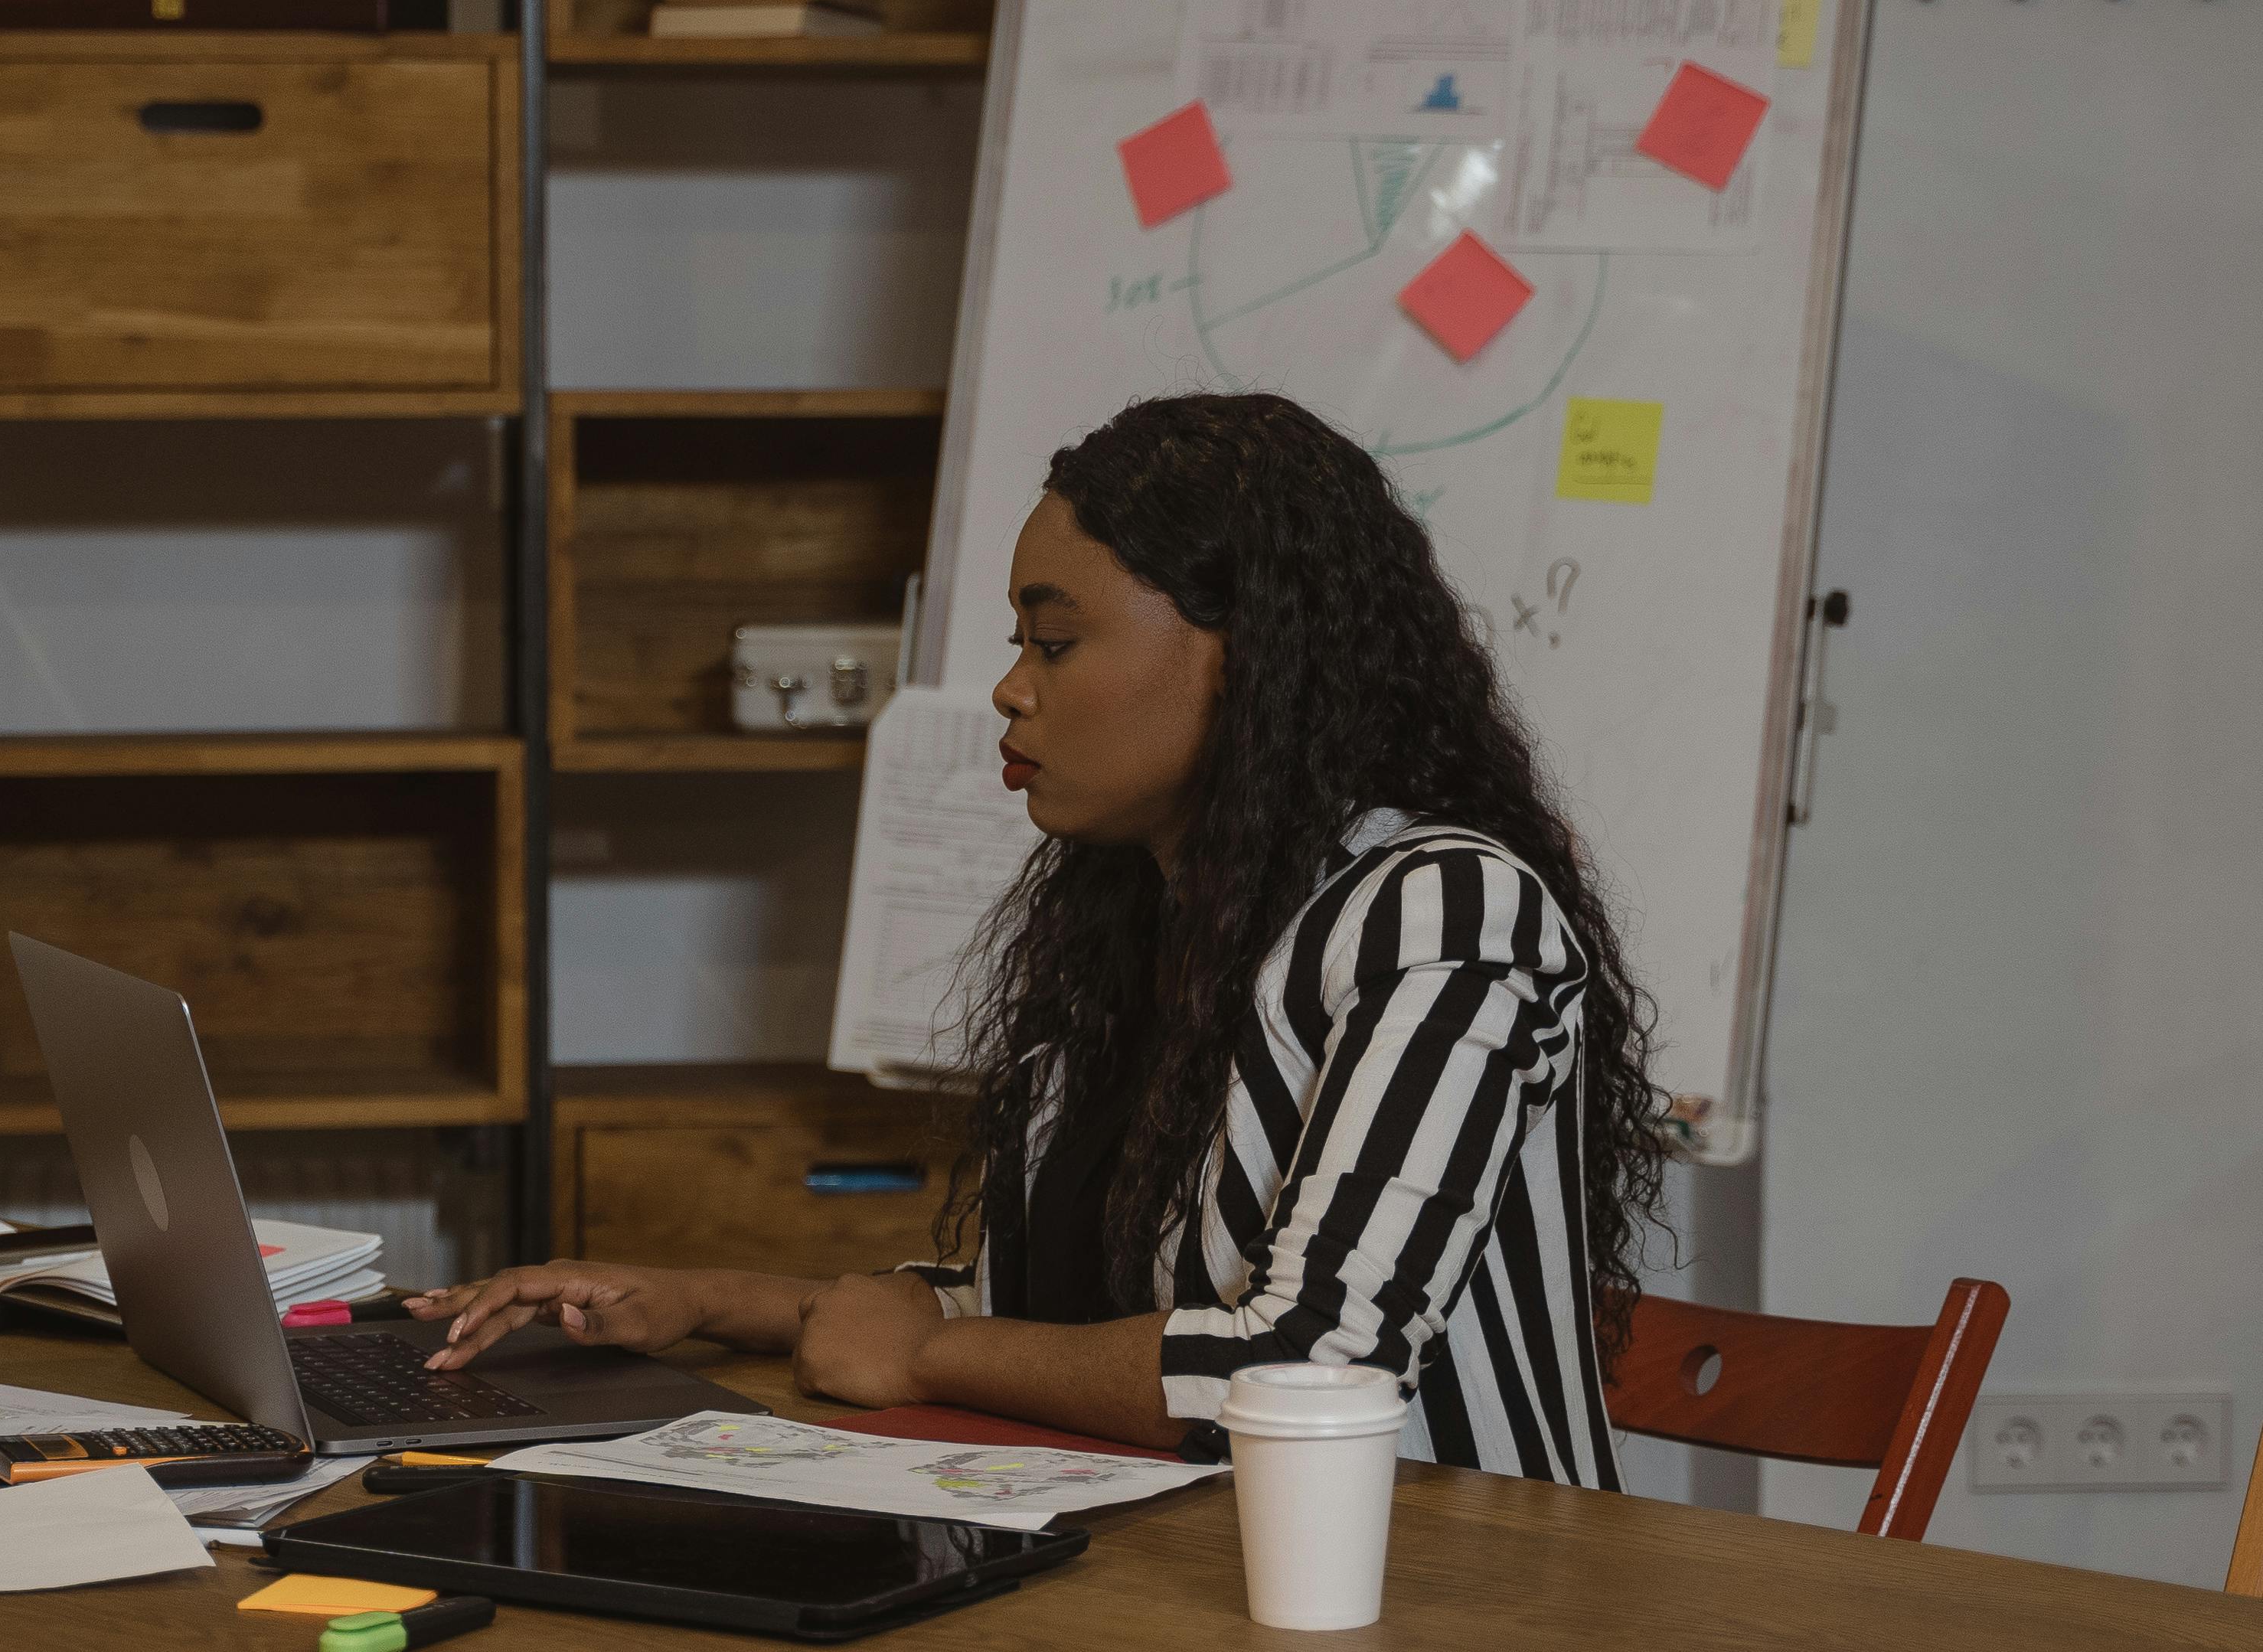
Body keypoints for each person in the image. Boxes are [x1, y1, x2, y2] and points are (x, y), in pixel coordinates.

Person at [412, 393, 1669, 1484]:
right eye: (1020, 645)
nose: (1011, 688)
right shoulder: (1139, 916)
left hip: (1445, 1582)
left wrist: (924, 1356)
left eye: (1055, 642)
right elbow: (1050, 1325)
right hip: (1178, 1556)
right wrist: (701, 1301)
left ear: (1246, 656)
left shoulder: (1441, 909)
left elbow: (1310, 1366)